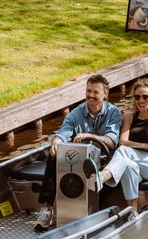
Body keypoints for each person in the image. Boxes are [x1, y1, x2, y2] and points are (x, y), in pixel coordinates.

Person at [35, 73, 122, 229]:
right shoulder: (76, 113)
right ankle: (47, 209)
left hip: (103, 159)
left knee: (96, 170)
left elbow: (110, 142)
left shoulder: (113, 112)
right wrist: (56, 142)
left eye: (95, 92)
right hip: (79, 159)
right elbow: (64, 131)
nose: (91, 95)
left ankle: (92, 213)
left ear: (105, 95)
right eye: (88, 91)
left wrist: (90, 136)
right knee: (54, 155)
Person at [101, 78, 148, 213]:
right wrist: (146, 145)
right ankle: (133, 213)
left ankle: (103, 176)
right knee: (127, 165)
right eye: (137, 97)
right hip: (135, 161)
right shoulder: (129, 116)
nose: (141, 100)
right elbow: (123, 141)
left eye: (145, 97)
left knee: (123, 151)